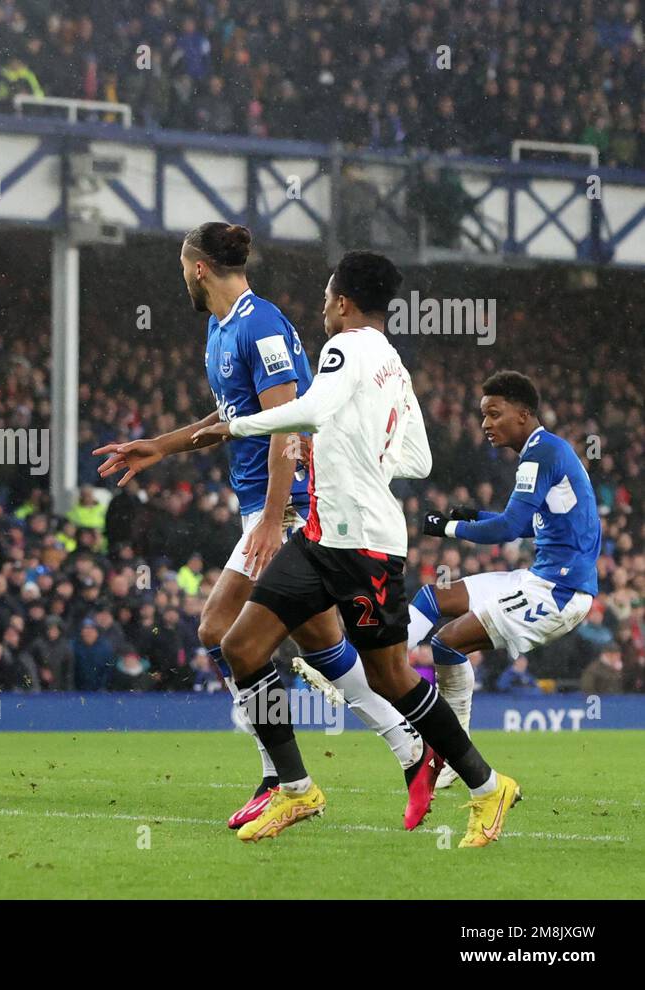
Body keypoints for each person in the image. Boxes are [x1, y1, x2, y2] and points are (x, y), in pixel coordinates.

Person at [94, 222, 428, 832]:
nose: (180, 275)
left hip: (291, 502)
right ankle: (409, 749)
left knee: (220, 629)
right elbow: (231, 417)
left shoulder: (261, 324)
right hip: (267, 505)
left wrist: (275, 520)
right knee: (325, 646)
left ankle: (285, 778)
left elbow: (286, 426)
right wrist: (161, 448)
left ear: (197, 268)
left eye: (180, 264)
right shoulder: (221, 330)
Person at [202, 250, 519, 847]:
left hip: (365, 548)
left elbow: (313, 409)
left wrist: (235, 425)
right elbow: (418, 457)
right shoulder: (394, 366)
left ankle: (486, 785)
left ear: (344, 303)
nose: (321, 308)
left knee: (394, 675)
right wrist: (368, 457)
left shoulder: (342, 347)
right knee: (240, 645)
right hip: (322, 538)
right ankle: (295, 790)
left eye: (326, 298)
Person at [410, 370, 601, 788]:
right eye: (483, 415)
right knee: (434, 597)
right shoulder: (549, 452)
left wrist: (448, 529)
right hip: (539, 577)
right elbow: (534, 525)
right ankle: (379, 671)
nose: (485, 424)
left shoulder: (541, 453)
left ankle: (448, 752)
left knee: (447, 642)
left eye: (495, 414)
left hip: (559, 592)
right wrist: (467, 516)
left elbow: (509, 529)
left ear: (524, 413)